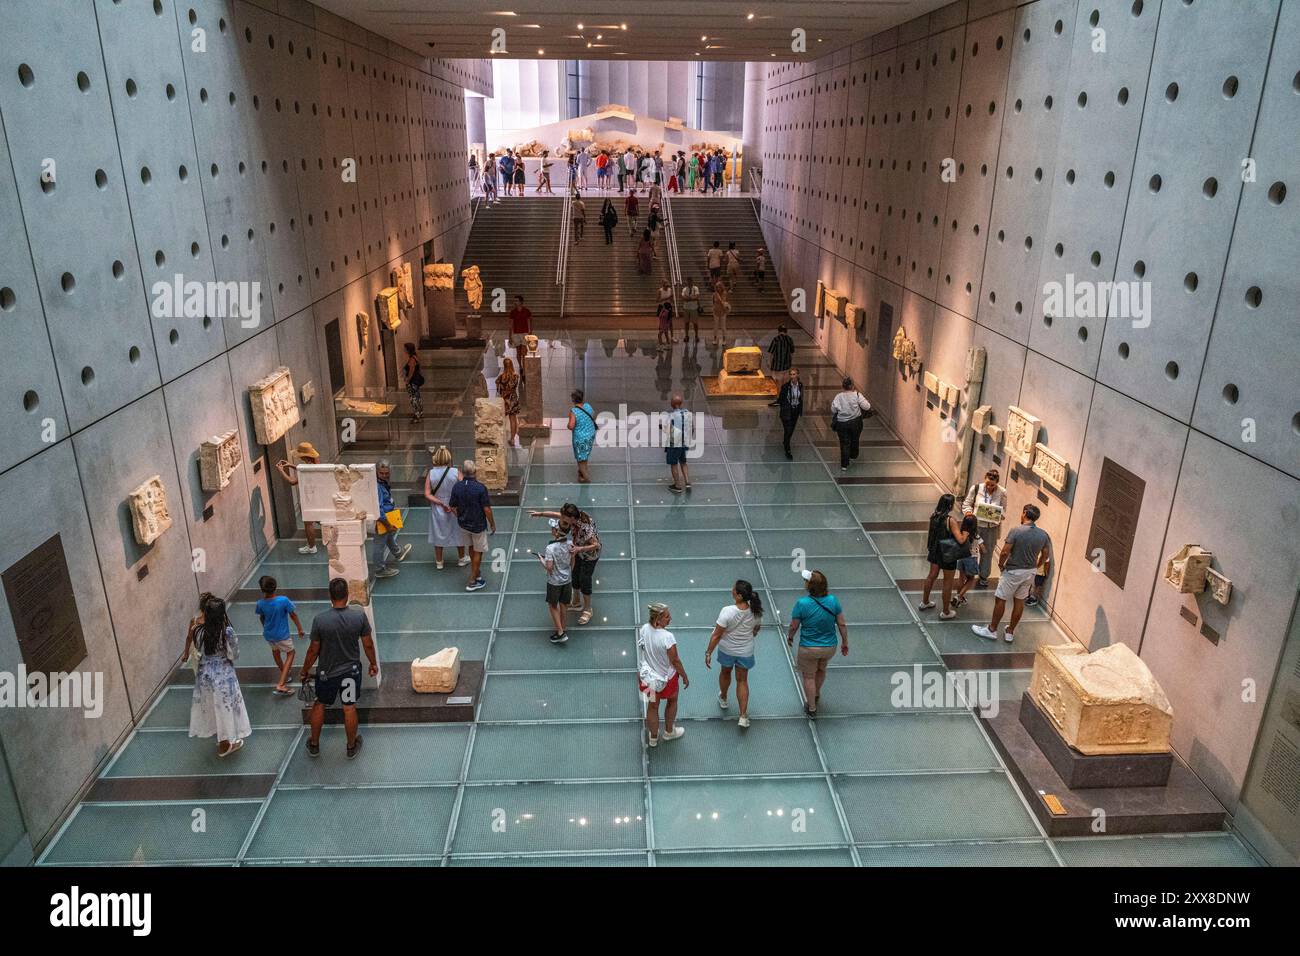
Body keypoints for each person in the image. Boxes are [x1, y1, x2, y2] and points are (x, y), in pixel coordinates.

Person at [300, 578, 378, 759]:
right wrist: (373, 664)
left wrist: (305, 670)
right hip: (350, 673)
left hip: (326, 674)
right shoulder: (358, 616)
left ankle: (314, 744)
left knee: (320, 703)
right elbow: (367, 644)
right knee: (349, 707)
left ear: (330, 595)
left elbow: (313, 650)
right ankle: (351, 746)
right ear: (347, 594)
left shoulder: (320, 620)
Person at [972, 505, 1052, 644]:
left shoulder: (1016, 531)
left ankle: (992, 630)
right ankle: (1010, 632)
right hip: (1030, 572)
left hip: (1013, 570)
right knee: (1019, 601)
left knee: (1001, 599)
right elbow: (1045, 555)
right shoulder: (1043, 535)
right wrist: (1037, 566)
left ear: (1025, 513)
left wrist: (1001, 565)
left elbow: (1005, 551)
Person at [184, 597, 250, 757]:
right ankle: (226, 743)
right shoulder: (226, 631)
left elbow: (198, 649)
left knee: (211, 705)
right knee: (226, 706)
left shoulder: (196, 630)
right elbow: (233, 654)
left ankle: (222, 739)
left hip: (204, 675)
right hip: (224, 675)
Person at [786, 570, 849, 719]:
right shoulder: (833, 601)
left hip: (809, 648)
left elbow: (794, 626)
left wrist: (790, 637)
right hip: (829, 647)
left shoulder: (802, 604)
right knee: (821, 669)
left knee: (808, 676)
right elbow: (842, 624)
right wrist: (845, 642)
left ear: (809, 586)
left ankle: (812, 708)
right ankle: (816, 693)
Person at [530, 502, 601, 624]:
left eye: (564, 518)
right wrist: (540, 514)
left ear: (572, 518)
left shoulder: (584, 527)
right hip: (577, 551)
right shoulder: (572, 519)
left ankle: (588, 609)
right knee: (574, 575)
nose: (562, 519)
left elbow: (596, 545)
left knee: (585, 579)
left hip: (589, 556)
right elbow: (555, 515)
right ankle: (576, 601)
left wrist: (580, 549)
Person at [705, 581, 763, 728]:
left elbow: (717, 635)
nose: (731, 590)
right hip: (745, 651)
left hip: (727, 650)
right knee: (742, 680)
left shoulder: (727, 611)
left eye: (733, 589)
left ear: (738, 595)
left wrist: (708, 652)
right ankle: (743, 716)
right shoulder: (756, 611)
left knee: (725, 673)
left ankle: (723, 698)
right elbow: (755, 631)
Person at [535, 518, 600, 644]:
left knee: (553, 605)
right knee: (564, 604)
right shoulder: (571, 544)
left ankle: (560, 632)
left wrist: (541, 559)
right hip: (567, 580)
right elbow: (572, 563)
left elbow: (549, 568)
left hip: (554, 582)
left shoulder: (550, 548)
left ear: (556, 532)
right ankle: (563, 627)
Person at [638, 603, 689, 747]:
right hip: (667, 680)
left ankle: (653, 738)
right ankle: (669, 732)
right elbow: (675, 660)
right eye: (667, 616)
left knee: (653, 706)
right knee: (672, 701)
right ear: (658, 620)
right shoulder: (667, 637)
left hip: (648, 680)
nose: (670, 618)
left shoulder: (644, 629)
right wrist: (684, 675)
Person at [449, 459, 497, 592]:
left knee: (471, 548)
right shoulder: (480, 488)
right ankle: (472, 580)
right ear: (475, 471)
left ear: (463, 472)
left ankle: (477, 572)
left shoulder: (457, 487)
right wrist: (492, 524)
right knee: (479, 551)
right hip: (478, 524)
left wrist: (459, 516)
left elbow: (452, 506)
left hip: (463, 524)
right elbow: (486, 509)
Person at [918, 493, 968, 619]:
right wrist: (966, 533)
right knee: (948, 582)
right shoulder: (950, 521)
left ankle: (925, 602)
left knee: (931, 576)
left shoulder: (934, 516)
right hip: (948, 554)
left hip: (935, 551)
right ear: (950, 505)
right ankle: (946, 611)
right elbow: (961, 540)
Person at [256, 575, 304, 695]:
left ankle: (284, 673)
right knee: (291, 653)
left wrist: (267, 629)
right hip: (282, 635)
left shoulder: (260, 603)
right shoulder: (283, 600)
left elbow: (262, 618)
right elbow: (293, 615)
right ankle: (281, 684)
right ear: (275, 587)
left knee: (276, 652)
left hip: (269, 635)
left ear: (262, 589)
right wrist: (300, 629)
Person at [961, 469, 1007, 589]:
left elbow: (1004, 511)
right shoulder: (976, 488)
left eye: (992, 485)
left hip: (991, 528)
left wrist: (998, 515)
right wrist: (969, 514)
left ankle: (983, 576)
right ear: (984, 479)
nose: (989, 487)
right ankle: (969, 574)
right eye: (987, 484)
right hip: (976, 526)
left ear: (997, 483)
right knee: (971, 551)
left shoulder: (1002, 492)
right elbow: (966, 504)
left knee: (987, 552)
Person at [424, 445, 468, 570]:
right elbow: (463, 488)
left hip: (438, 507)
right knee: (458, 532)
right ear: (449, 458)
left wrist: (440, 503)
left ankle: (439, 561)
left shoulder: (431, 473)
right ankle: (461, 558)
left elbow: (427, 494)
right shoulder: (455, 472)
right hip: (455, 506)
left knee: (439, 533)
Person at [275, 441, 321, 554]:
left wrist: (281, 470)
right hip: (318, 496)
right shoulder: (316, 463)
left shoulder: (307, 467)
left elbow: (292, 481)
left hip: (310, 498)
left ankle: (311, 547)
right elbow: (304, 470)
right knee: (318, 519)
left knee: (308, 523)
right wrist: (291, 465)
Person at [371, 460, 412, 579]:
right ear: (376, 472)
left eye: (386, 473)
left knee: (387, 535)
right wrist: (387, 524)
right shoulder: (378, 486)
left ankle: (398, 552)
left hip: (387, 517)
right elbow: (379, 510)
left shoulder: (382, 482)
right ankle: (380, 569)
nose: (384, 475)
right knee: (379, 544)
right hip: (382, 519)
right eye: (381, 473)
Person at [830, 378, 872, 471]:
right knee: (855, 439)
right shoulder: (857, 395)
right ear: (852, 386)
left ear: (843, 386)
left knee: (844, 443)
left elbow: (833, 410)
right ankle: (853, 455)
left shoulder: (838, 396)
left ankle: (844, 464)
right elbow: (867, 406)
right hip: (855, 423)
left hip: (842, 423)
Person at [661, 393, 693, 494]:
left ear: (673, 404)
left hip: (674, 443)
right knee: (683, 462)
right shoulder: (688, 413)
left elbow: (667, 429)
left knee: (674, 464)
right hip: (684, 443)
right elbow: (692, 428)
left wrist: (662, 427)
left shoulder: (671, 415)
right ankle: (687, 482)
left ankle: (677, 485)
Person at [952, 514, 984, 608]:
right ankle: (959, 596)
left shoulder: (961, 534)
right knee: (971, 579)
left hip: (961, 557)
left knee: (961, 578)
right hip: (971, 559)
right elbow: (983, 548)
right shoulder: (976, 536)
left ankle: (960, 597)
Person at [567, 388, 597, 483]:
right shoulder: (588, 406)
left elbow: (571, 426)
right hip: (590, 435)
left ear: (573, 399)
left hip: (580, 438)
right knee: (585, 455)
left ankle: (586, 477)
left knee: (580, 458)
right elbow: (593, 415)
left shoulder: (574, 411)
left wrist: (568, 424)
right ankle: (582, 475)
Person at [776, 367, 803, 459]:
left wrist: (800, 409)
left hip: (795, 410)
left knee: (791, 430)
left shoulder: (800, 385)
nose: (792, 376)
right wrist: (785, 405)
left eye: (794, 374)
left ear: (798, 375)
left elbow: (801, 398)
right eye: (791, 374)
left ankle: (786, 441)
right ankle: (787, 449)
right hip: (787, 411)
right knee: (788, 430)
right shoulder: (785, 387)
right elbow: (780, 400)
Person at [766, 324, 794, 405]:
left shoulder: (776, 339)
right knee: (785, 383)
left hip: (777, 366)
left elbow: (771, 353)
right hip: (787, 366)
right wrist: (790, 363)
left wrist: (770, 364)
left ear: (778, 331)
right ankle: (785, 398)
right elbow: (792, 353)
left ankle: (779, 399)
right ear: (786, 331)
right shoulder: (790, 339)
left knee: (778, 383)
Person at [496, 357, 521, 445]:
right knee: (513, 419)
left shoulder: (501, 377)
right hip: (513, 398)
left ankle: (501, 437)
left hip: (505, 399)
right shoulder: (516, 376)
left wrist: (503, 393)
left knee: (502, 418)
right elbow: (514, 387)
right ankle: (513, 439)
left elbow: (498, 389)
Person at [508, 294, 532, 370]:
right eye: (514, 301)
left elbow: (530, 320)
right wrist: (510, 336)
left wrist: (530, 331)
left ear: (521, 302)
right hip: (516, 333)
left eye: (517, 301)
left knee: (524, 351)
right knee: (518, 351)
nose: (515, 302)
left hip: (524, 333)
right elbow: (510, 324)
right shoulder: (513, 312)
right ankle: (520, 366)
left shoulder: (526, 311)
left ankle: (524, 366)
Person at [403, 341, 424, 422]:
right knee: (417, 396)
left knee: (413, 398)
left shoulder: (412, 359)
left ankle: (417, 414)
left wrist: (407, 380)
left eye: (405, 349)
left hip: (412, 382)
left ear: (408, 350)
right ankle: (420, 412)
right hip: (416, 381)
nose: (404, 350)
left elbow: (411, 371)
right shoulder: (415, 357)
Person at [680, 275, 700, 340]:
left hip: (694, 308)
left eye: (690, 281)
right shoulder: (684, 289)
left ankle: (696, 336)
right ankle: (686, 335)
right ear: (687, 282)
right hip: (686, 308)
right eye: (688, 281)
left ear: (692, 281)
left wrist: (688, 298)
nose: (689, 282)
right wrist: (692, 298)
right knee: (686, 322)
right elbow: (683, 298)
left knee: (695, 323)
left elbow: (697, 297)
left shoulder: (696, 288)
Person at [710, 279, 730, 344]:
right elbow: (713, 302)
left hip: (723, 311)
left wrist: (719, 300)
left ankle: (724, 339)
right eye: (717, 287)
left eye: (719, 286)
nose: (718, 288)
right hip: (716, 311)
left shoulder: (724, 293)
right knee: (715, 326)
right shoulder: (714, 294)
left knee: (723, 326)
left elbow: (724, 302)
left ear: (721, 287)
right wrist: (714, 308)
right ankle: (715, 339)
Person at [656, 284, 675, 349]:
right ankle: (663, 343)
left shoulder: (670, 290)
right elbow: (657, 300)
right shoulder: (660, 290)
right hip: (663, 309)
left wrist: (670, 300)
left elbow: (672, 300)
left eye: (668, 285)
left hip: (668, 308)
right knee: (663, 330)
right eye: (666, 285)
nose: (667, 287)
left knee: (668, 325)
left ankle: (667, 342)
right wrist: (667, 298)